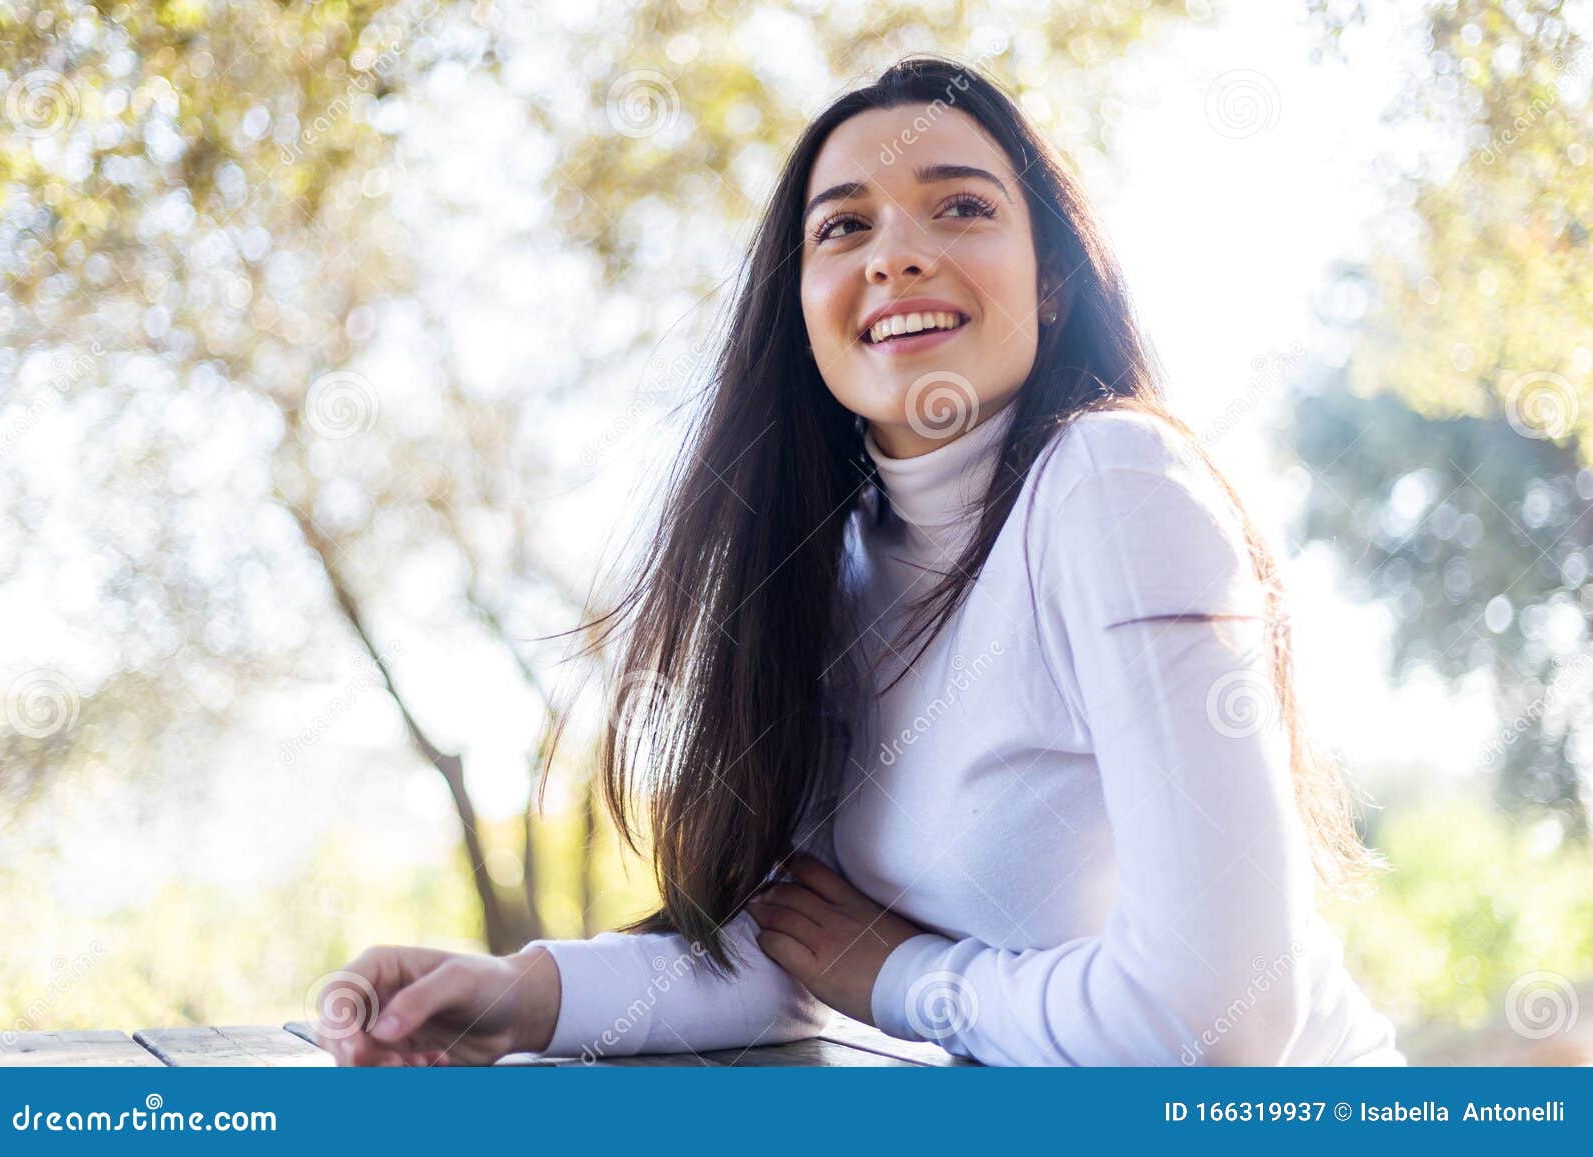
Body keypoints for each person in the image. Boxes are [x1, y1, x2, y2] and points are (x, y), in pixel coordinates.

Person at [317, 54, 1405, 1067]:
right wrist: (517, 993)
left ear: (1055, 284)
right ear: (801, 307)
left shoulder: (1114, 484)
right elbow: (790, 946)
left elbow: (1219, 1022)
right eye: (843, 228)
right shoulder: (829, 571)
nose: (896, 253)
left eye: (962, 207)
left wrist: (904, 975)